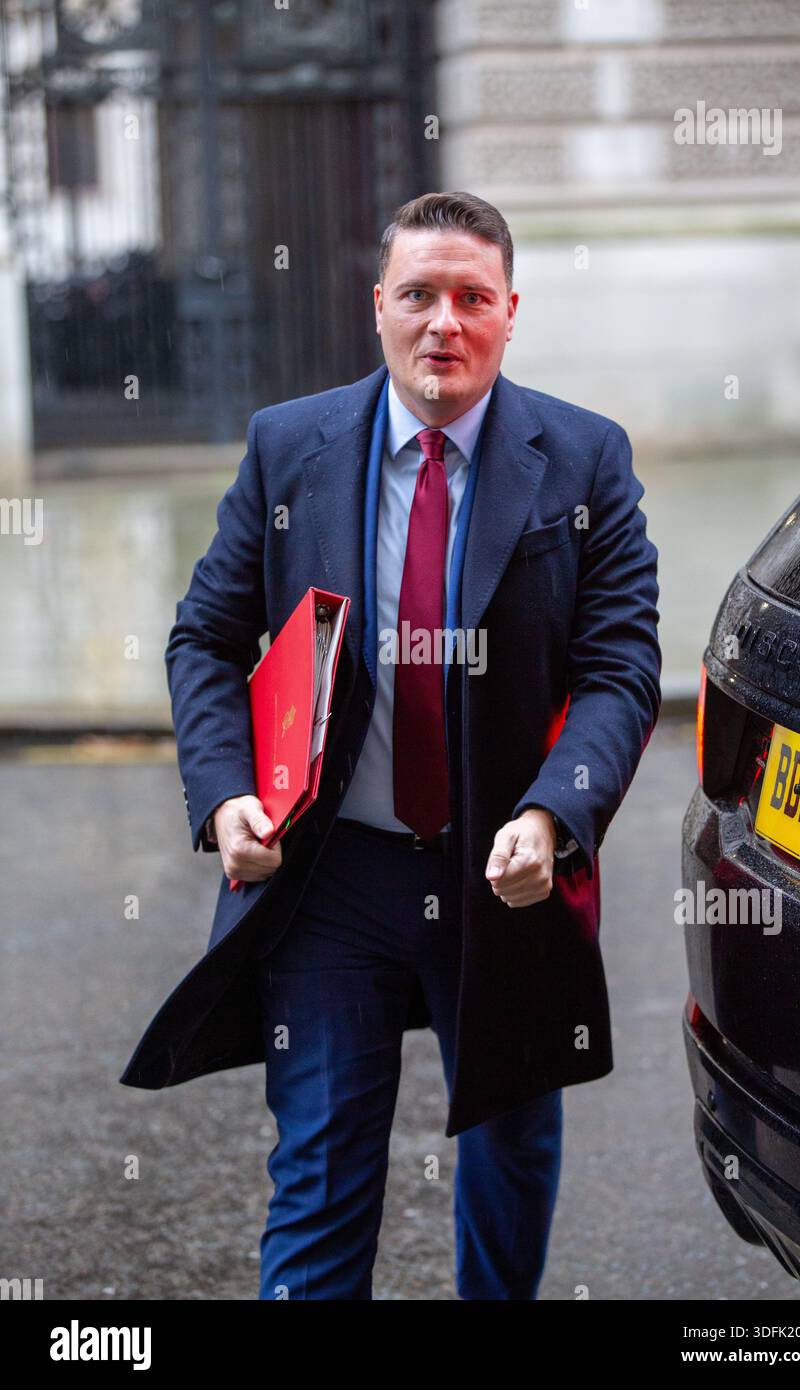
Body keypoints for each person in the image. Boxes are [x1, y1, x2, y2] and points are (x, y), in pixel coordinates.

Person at [120, 190, 662, 1300]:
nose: (442, 324)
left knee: (508, 1153)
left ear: (510, 312)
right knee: (318, 1169)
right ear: (378, 307)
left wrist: (553, 812)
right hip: (334, 871)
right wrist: (224, 793)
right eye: (417, 295)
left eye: (470, 298)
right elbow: (206, 637)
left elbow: (617, 670)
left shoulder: (586, 462)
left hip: (499, 870)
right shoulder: (288, 448)